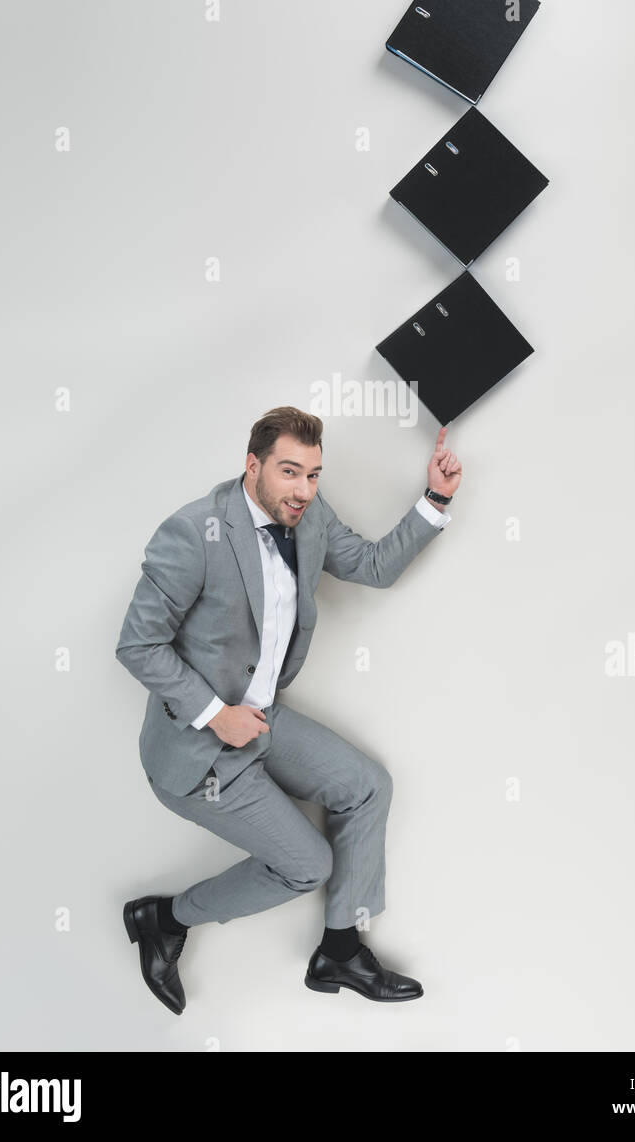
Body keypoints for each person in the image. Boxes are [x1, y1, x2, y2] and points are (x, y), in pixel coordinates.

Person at [116, 405, 462, 1012]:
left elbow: (373, 566)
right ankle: (165, 918)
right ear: (252, 466)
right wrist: (214, 714)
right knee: (309, 863)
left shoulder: (308, 516)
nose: (303, 490)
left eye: (314, 475)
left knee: (367, 786)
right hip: (198, 754)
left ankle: (339, 950)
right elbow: (137, 644)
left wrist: (434, 497)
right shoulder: (194, 532)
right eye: (289, 472)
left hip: (261, 721)